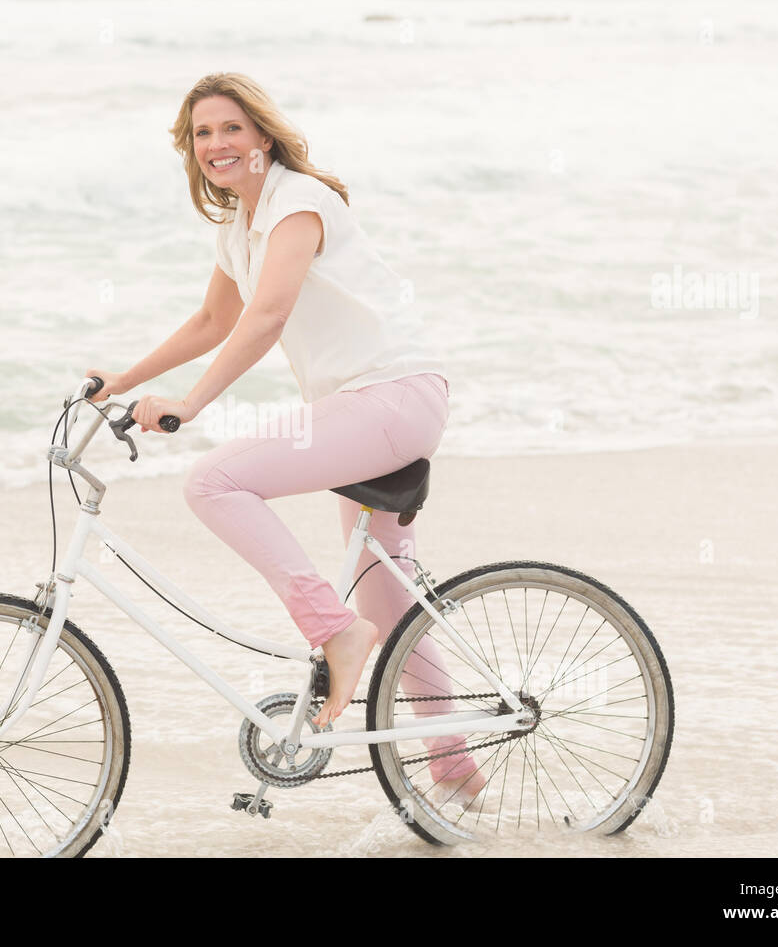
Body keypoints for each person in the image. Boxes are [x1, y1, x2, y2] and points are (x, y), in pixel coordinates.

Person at [86, 72, 485, 803]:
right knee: (389, 596)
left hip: (389, 396)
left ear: (263, 135)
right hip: (367, 406)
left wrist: (191, 405)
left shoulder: (299, 203)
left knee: (213, 482)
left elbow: (267, 318)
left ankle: (333, 632)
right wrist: (122, 379)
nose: (217, 145)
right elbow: (212, 322)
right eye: (202, 134)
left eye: (231, 128)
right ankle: (453, 767)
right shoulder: (240, 225)